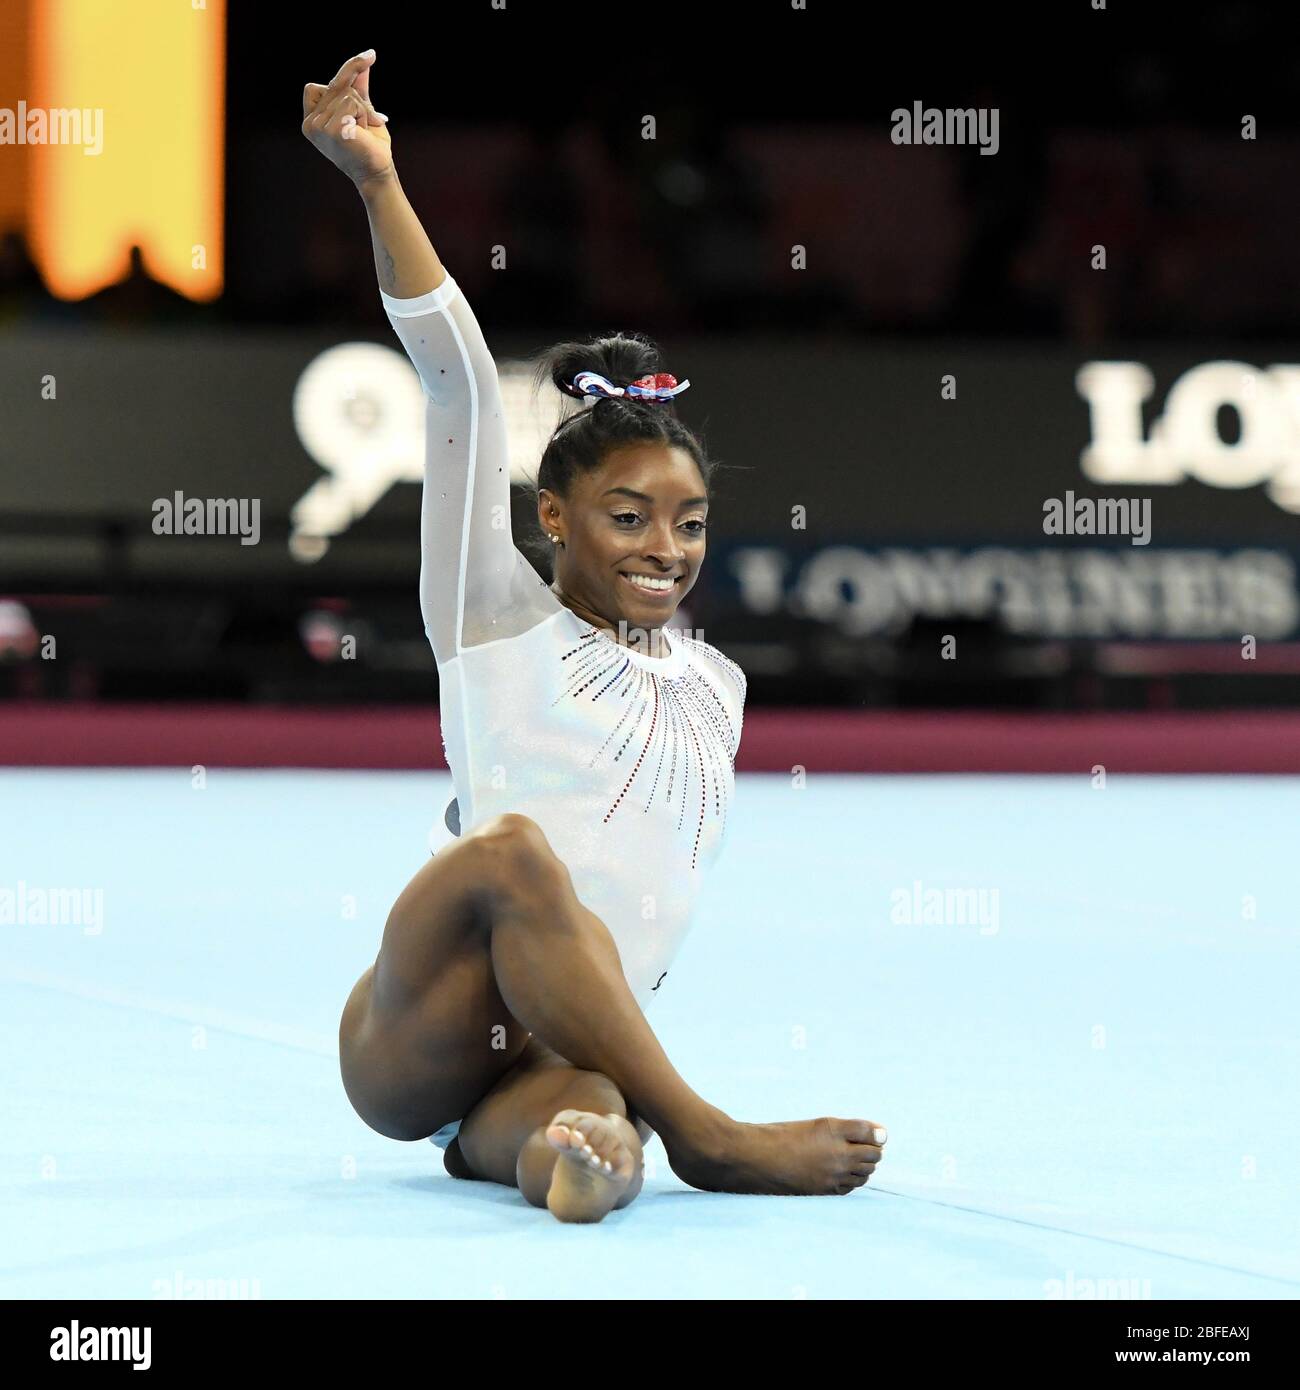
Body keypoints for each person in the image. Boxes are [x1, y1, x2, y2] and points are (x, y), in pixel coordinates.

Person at [305, 50, 886, 1223]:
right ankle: (708, 1135)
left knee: (586, 1122)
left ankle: (587, 1155)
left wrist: (588, 1127)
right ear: (554, 518)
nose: (662, 547)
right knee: (516, 851)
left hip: (556, 1030)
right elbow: (459, 383)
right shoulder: (493, 615)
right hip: (420, 1021)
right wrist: (377, 185)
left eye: (689, 523)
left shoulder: (716, 683)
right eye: (628, 518)